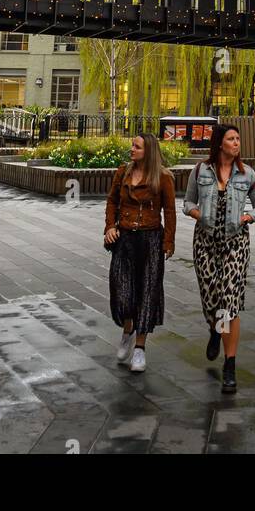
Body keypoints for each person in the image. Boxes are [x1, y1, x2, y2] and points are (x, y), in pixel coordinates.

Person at [183, 124, 255, 395]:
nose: (236, 143)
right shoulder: (200, 171)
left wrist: (248, 216)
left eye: (238, 139)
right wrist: (200, 216)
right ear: (220, 143)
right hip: (205, 242)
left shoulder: (247, 174)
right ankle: (215, 329)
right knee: (210, 296)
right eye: (231, 139)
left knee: (230, 300)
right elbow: (188, 204)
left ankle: (229, 365)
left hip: (235, 243)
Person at [104, 133, 175, 374]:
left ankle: (140, 349)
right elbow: (112, 201)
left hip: (151, 239)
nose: (131, 149)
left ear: (149, 151)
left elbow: (170, 211)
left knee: (147, 292)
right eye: (132, 145)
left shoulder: (163, 177)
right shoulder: (123, 171)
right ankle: (127, 330)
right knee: (121, 290)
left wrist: (168, 242)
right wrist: (110, 227)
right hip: (124, 239)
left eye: (137, 146)